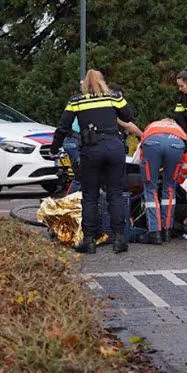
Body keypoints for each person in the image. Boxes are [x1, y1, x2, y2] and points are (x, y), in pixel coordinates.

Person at [50, 69, 134, 254]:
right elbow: (128, 116)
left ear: (84, 84)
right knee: (115, 194)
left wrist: (54, 148)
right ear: (102, 81)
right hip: (114, 148)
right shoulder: (114, 97)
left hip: (91, 150)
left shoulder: (76, 101)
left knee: (90, 196)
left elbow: (63, 127)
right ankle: (119, 239)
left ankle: (89, 240)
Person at [138, 118, 187, 244]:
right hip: (176, 145)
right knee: (170, 187)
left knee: (150, 188)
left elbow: (141, 154)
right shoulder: (179, 130)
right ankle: (167, 231)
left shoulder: (152, 126)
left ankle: (154, 232)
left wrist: (145, 173)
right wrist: (179, 179)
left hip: (151, 143)